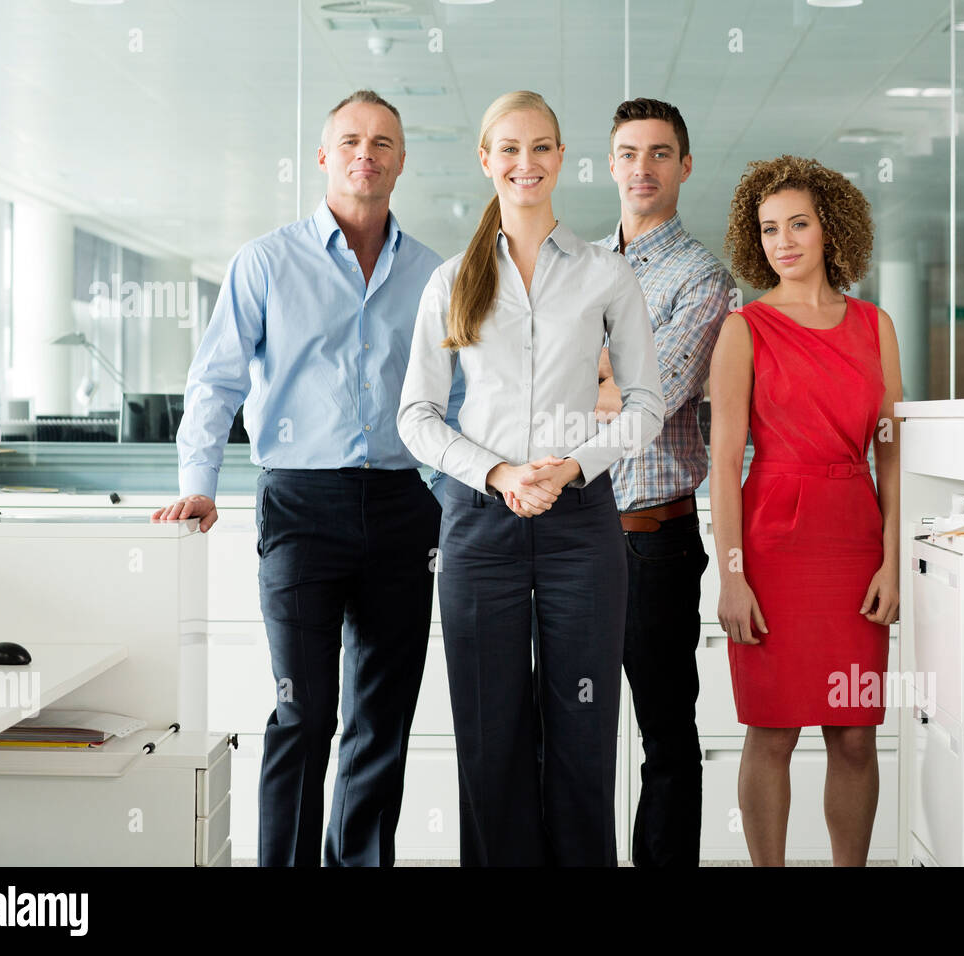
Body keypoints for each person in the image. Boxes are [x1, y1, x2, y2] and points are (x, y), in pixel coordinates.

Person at [154, 90, 462, 867]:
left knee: (381, 717)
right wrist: (199, 479)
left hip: (403, 506)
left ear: (401, 161)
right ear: (324, 157)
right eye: (351, 140)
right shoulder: (266, 262)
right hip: (300, 504)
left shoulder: (432, 274)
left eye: (383, 142)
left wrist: (454, 490)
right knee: (305, 711)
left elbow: (454, 398)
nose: (367, 153)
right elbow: (215, 382)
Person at [397, 90, 664, 866]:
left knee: (584, 731)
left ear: (561, 157)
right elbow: (416, 416)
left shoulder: (606, 274)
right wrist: (499, 473)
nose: (526, 162)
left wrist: (574, 465)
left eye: (541, 146)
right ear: (486, 160)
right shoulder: (451, 280)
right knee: (491, 737)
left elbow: (645, 404)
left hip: (582, 523)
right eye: (509, 149)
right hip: (480, 524)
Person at [708, 154, 903, 867]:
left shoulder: (875, 326)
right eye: (768, 229)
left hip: (853, 539)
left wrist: (892, 561)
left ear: (830, 230)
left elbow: (891, 453)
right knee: (772, 729)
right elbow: (723, 464)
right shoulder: (745, 329)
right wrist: (732, 576)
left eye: (798, 224)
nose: (783, 242)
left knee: (854, 732)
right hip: (772, 544)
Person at [593, 97, 736, 866]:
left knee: (667, 739)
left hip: (653, 542)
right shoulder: (571, 265)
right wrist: (609, 376)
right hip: (568, 535)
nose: (641, 167)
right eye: (628, 153)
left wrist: (594, 375)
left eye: (658, 153)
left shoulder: (703, 278)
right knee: (562, 732)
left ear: (684, 166)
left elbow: (651, 402)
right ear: (611, 165)